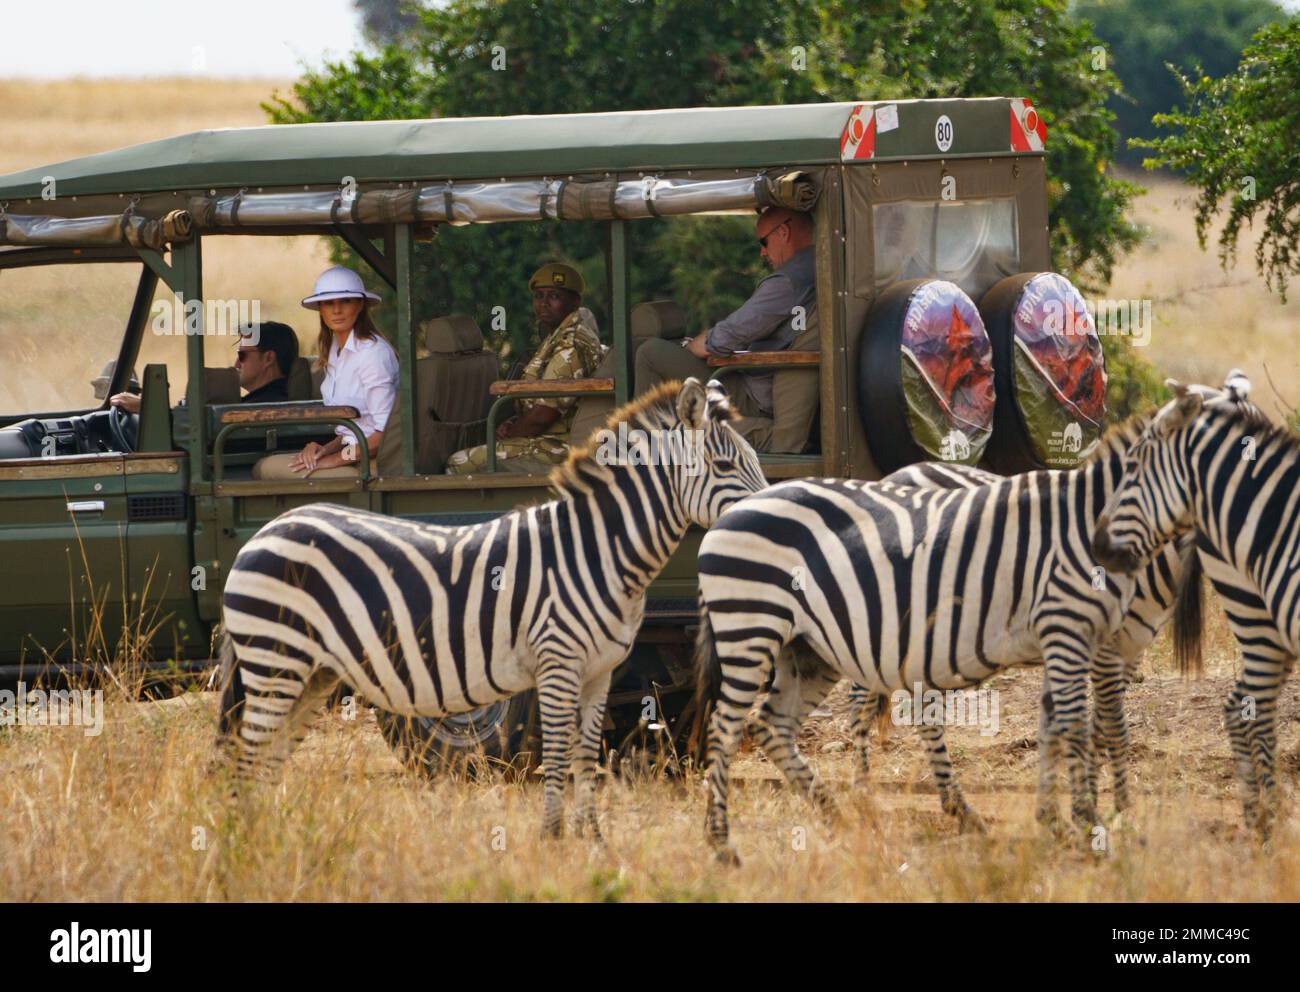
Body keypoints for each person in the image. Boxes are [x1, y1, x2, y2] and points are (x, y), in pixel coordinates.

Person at [633, 206, 817, 437]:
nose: (762, 253)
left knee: (650, 353)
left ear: (783, 232)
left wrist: (691, 346)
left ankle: (641, 450)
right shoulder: (823, 269)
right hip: (774, 384)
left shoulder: (788, 281)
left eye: (764, 242)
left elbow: (730, 334)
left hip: (755, 393)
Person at [446, 262, 603, 475]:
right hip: (546, 437)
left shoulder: (571, 343)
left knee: (458, 462)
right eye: (538, 296)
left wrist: (511, 434)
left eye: (554, 296)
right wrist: (514, 422)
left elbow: (543, 416)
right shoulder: (559, 335)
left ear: (575, 302)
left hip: (557, 447)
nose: (544, 303)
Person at [251, 266, 398, 480]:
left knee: (264, 468)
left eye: (346, 301)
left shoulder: (373, 355)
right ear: (320, 308)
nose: (336, 310)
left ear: (360, 305)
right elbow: (353, 431)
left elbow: (383, 435)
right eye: (329, 303)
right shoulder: (335, 352)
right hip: (353, 455)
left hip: (373, 463)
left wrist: (334, 460)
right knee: (271, 465)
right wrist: (324, 450)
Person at [109, 321, 299, 415]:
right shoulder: (274, 402)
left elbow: (202, 436)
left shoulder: (267, 407)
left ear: (268, 358)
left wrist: (150, 410)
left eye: (242, 355)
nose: (236, 364)